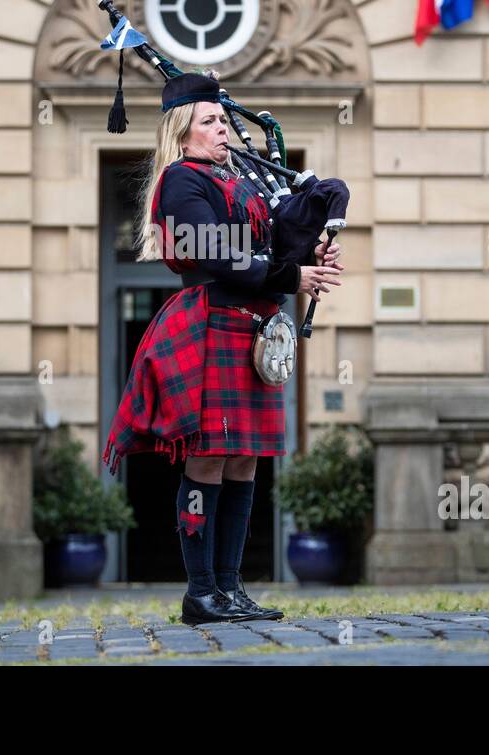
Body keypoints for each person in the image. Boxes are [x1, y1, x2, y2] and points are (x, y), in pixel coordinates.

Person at [100, 72, 343, 625]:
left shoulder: (242, 182)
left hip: (255, 330)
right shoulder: (183, 181)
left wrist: (310, 247)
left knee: (244, 460)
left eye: (223, 121)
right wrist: (287, 274)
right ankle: (201, 591)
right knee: (207, 458)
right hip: (212, 325)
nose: (223, 131)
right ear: (183, 132)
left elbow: (274, 245)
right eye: (209, 122)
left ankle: (231, 590)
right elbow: (214, 253)